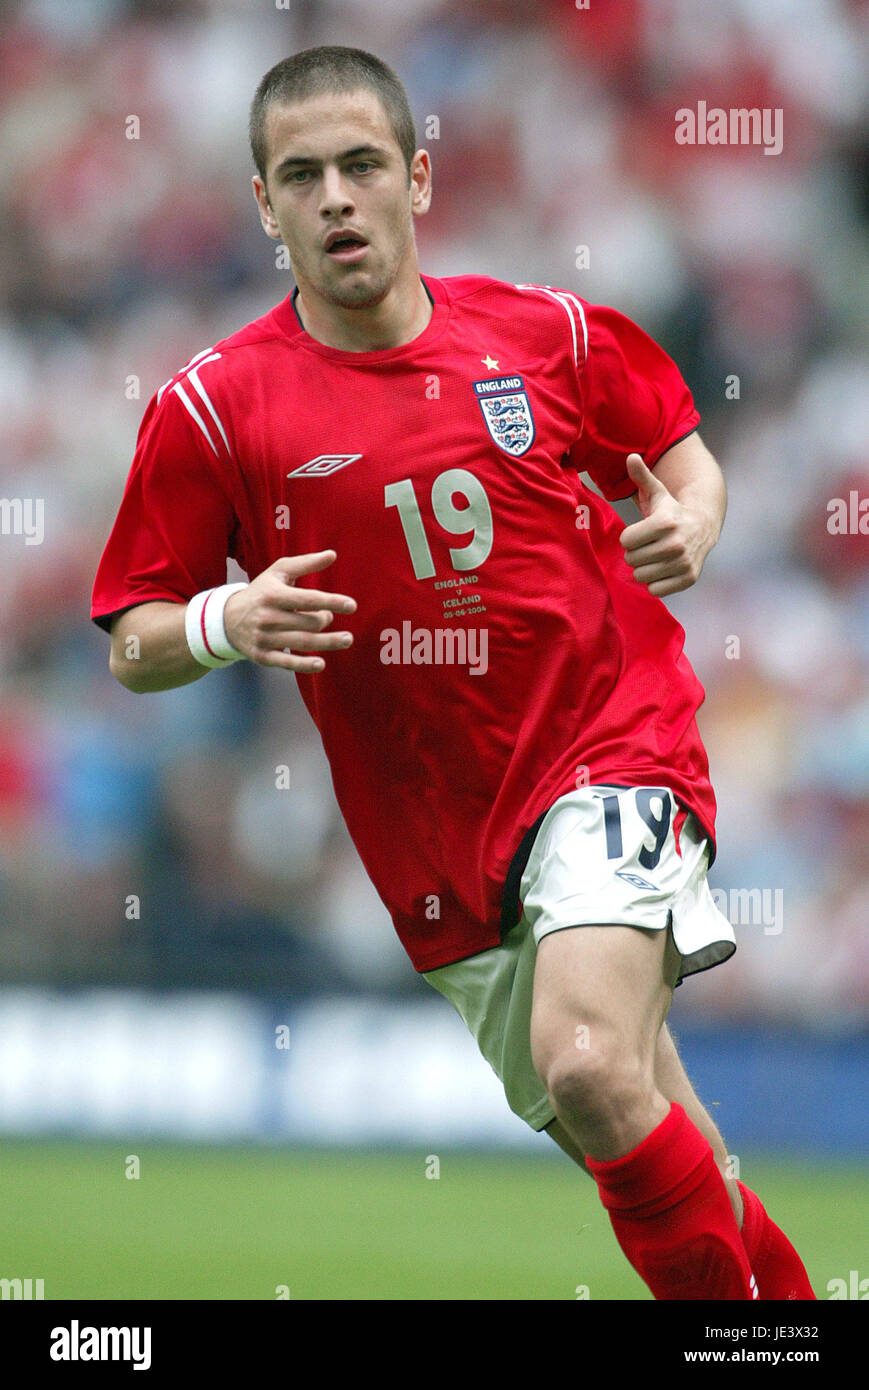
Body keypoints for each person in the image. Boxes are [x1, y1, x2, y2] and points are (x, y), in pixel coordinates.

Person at [91, 45, 814, 1301]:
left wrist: (691, 524)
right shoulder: (217, 410)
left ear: (416, 178)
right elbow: (131, 639)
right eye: (300, 174)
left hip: (609, 743)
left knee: (586, 1061)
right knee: (640, 1124)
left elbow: (684, 457)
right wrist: (223, 620)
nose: (334, 197)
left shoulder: (548, 335)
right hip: (436, 840)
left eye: (362, 165)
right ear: (263, 205)